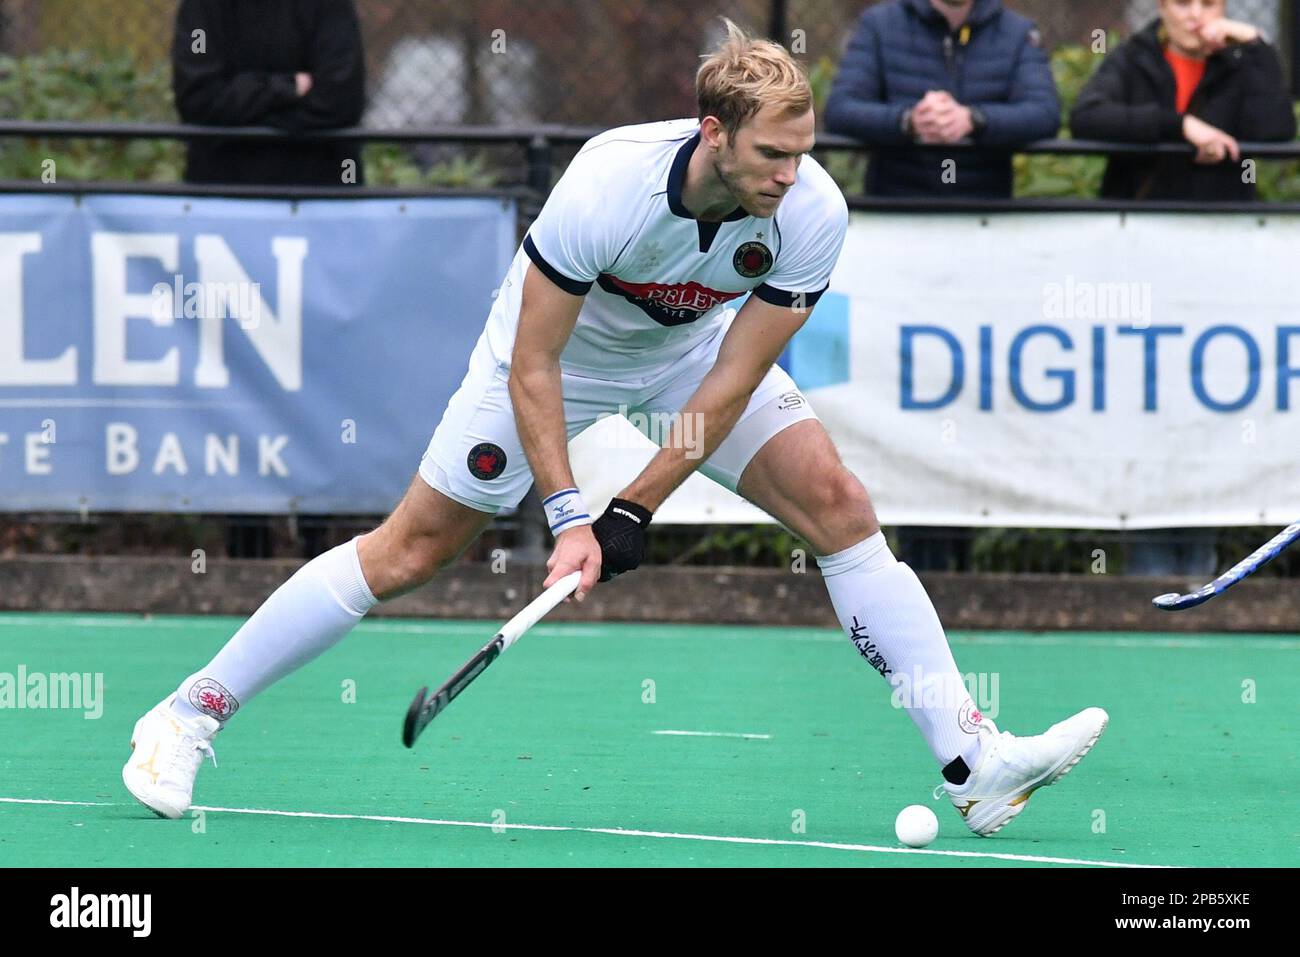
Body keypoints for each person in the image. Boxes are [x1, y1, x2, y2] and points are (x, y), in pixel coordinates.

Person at [124, 20, 1106, 839]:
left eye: (801, 154)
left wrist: (631, 508)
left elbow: (733, 376)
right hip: (550, 361)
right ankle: (187, 712)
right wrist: (568, 515)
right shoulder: (609, 183)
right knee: (409, 550)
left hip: (687, 355)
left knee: (837, 505)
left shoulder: (812, 212)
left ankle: (972, 761)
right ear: (711, 131)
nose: (787, 175)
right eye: (770, 154)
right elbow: (535, 365)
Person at [824, 0, 1060, 198]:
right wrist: (909, 121)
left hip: (986, 215)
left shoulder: (1018, 32)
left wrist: (975, 120)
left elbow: (1045, 113)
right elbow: (840, 109)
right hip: (894, 211)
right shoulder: (879, 24)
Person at [1070, 0, 1296, 201]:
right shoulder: (1133, 58)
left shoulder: (1239, 64)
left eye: (1208, 4)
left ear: (1223, 8)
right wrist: (1180, 126)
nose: (1195, 14)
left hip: (1221, 224)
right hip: (1138, 224)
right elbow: (1086, 117)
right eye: (1182, 3)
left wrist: (1255, 43)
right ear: (1162, 7)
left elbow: (1275, 131)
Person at [172, 0, 367, 186]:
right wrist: (286, 89)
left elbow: (342, 100)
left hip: (322, 192)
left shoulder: (331, 6)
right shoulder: (201, 12)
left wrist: (241, 111)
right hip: (222, 194)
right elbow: (197, 100)